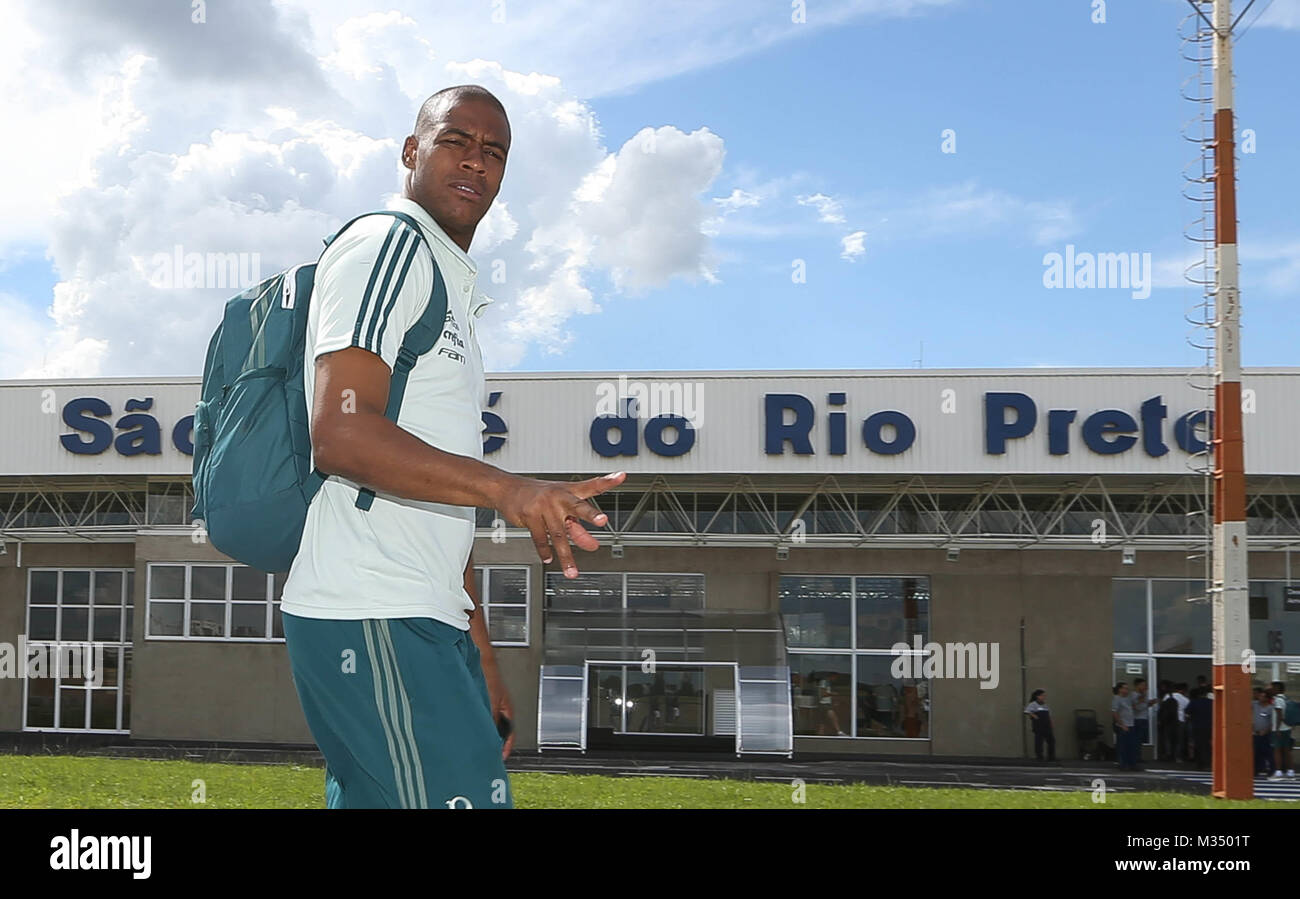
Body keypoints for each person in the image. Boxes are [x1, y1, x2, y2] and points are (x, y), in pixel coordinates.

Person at [279, 85, 625, 809]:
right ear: (411, 151)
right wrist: (511, 488)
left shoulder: (450, 287)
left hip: (421, 616)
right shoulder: (389, 244)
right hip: (370, 606)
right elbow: (339, 431)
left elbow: (436, 501)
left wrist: (483, 660)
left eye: (493, 152)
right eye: (455, 141)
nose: (476, 161)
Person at [1270, 681, 1295, 780]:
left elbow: (1279, 715)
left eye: (1272, 688)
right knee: (1286, 751)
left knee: (1277, 751)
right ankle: (1290, 771)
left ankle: (1278, 771)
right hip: (1287, 728)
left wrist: (1277, 729)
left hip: (1280, 729)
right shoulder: (1285, 698)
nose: (1271, 689)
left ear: (1277, 689)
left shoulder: (1277, 700)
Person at [1024, 688, 1057, 763]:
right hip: (1039, 726)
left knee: (1051, 741)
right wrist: (1034, 716)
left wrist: (1051, 723)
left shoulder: (1045, 705)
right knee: (1039, 741)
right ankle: (1039, 757)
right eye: (1042, 695)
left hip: (1047, 725)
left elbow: (1048, 715)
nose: (1043, 697)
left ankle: (1051, 757)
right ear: (1037, 696)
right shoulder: (1033, 704)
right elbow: (1027, 711)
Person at [1111, 682, 1138, 771]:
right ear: (1120, 689)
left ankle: (1132, 764)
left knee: (1131, 746)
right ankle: (1123, 764)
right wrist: (1122, 724)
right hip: (1123, 725)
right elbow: (1115, 712)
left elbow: (1134, 707)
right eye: (1125, 688)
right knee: (1123, 746)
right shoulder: (1117, 698)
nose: (1127, 690)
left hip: (1131, 724)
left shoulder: (1128, 699)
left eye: (1127, 688)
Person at [1186, 686, 1213, 770]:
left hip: (1197, 726)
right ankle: (1208, 762)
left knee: (1198, 745)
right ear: (1206, 694)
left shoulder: (1194, 702)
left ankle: (1200, 764)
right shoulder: (1212, 702)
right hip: (1210, 726)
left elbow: (1187, 713)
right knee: (1208, 745)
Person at [1252, 686, 1275, 777]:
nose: (1260, 698)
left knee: (1267, 752)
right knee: (1256, 752)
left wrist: (1266, 731)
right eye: (1260, 696)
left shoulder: (1270, 708)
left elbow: (1271, 722)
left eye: (1262, 696)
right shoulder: (1255, 704)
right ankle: (1257, 769)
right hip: (1256, 733)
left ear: (1267, 698)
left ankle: (1271, 769)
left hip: (1265, 734)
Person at [1131, 677, 1156, 759]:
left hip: (1144, 718)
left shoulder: (1144, 695)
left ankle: (1138, 756)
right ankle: (1135, 757)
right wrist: (1143, 701)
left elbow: (1143, 706)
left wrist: (1149, 703)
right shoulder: (1134, 695)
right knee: (1137, 739)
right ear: (1137, 686)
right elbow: (1136, 707)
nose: (1145, 687)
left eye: (1145, 685)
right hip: (1137, 719)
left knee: (1140, 739)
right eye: (1143, 685)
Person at [1156, 680, 1180, 762]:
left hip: (1167, 722)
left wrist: (1161, 720)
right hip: (1176, 721)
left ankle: (1168, 755)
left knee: (1167, 739)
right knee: (1175, 740)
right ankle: (1174, 756)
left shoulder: (1166, 698)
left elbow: (1165, 711)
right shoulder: (1176, 698)